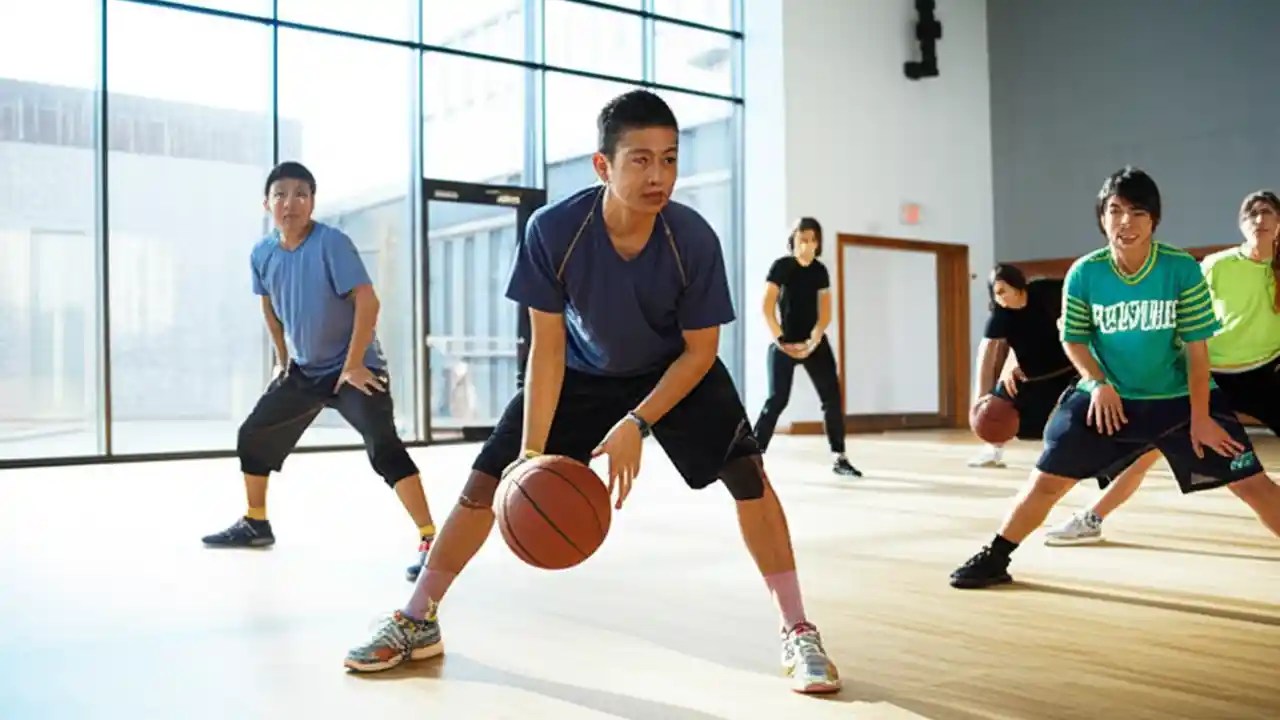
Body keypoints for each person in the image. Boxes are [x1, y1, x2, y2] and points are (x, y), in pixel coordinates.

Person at [342, 90, 841, 694]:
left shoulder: (694, 240)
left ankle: (798, 628)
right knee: (483, 484)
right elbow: (547, 348)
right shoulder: (554, 231)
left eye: (670, 158)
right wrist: (529, 457)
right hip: (580, 372)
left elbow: (701, 351)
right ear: (603, 165)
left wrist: (637, 422)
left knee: (749, 477)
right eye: (640, 160)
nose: (659, 175)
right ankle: (417, 618)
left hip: (674, 369)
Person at [950, 166, 1280, 590]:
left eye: (1138, 212)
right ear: (1102, 217)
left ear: (1154, 220)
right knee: (1047, 481)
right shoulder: (1085, 273)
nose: (1126, 222)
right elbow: (1074, 339)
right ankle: (996, 556)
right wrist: (1099, 382)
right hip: (1109, 398)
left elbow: (1199, 352)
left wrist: (1201, 416)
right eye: (1116, 210)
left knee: (1254, 485)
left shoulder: (1181, 269)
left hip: (1178, 398)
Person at [201, 161, 437, 584]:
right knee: (253, 434)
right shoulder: (262, 253)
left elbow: (368, 302)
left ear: (312, 202)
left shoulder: (332, 243)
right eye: (281, 194)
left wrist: (353, 364)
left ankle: (430, 539)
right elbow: (268, 307)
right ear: (267, 203)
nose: (290, 202)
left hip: (355, 366)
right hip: (305, 370)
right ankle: (256, 523)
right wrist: (281, 357)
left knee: (383, 447)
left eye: (301, 194)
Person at [1042, 189, 1280, 546]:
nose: (1259, 221)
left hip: (1264, 373)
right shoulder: (1217, 265)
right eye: (1252, 214)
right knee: (1146, 452)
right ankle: (1093, 516)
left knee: (1249, 479)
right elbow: (1186, 324)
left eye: (1268, 214)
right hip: (1209, 374)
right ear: (1241, 224)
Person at [967, 263, 1162, 492]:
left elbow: (1085, 304)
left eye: (1002, 291)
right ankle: (993, 449)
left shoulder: (1047, 292)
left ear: (1018, 285)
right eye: (995, 293)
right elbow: (987, 352)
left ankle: (1108, 463)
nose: (999, 298)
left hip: (1069, 369)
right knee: (995, 409)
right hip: (1031, 375)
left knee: (1079, 418)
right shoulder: (1001, 315)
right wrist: (981, 397)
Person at [753, 217, 861, 477]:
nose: (808, 245)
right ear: (794, 240)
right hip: (783, 344)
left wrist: (812, 342)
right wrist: (781, 341)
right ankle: (752, 457)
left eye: (813, 240)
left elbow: (825, 314)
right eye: (803, 239)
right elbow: (767, 308)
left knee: (832, 398)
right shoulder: (781, 267)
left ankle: (840, 457)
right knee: (777, 399)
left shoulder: (820, 271)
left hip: (814, 345)